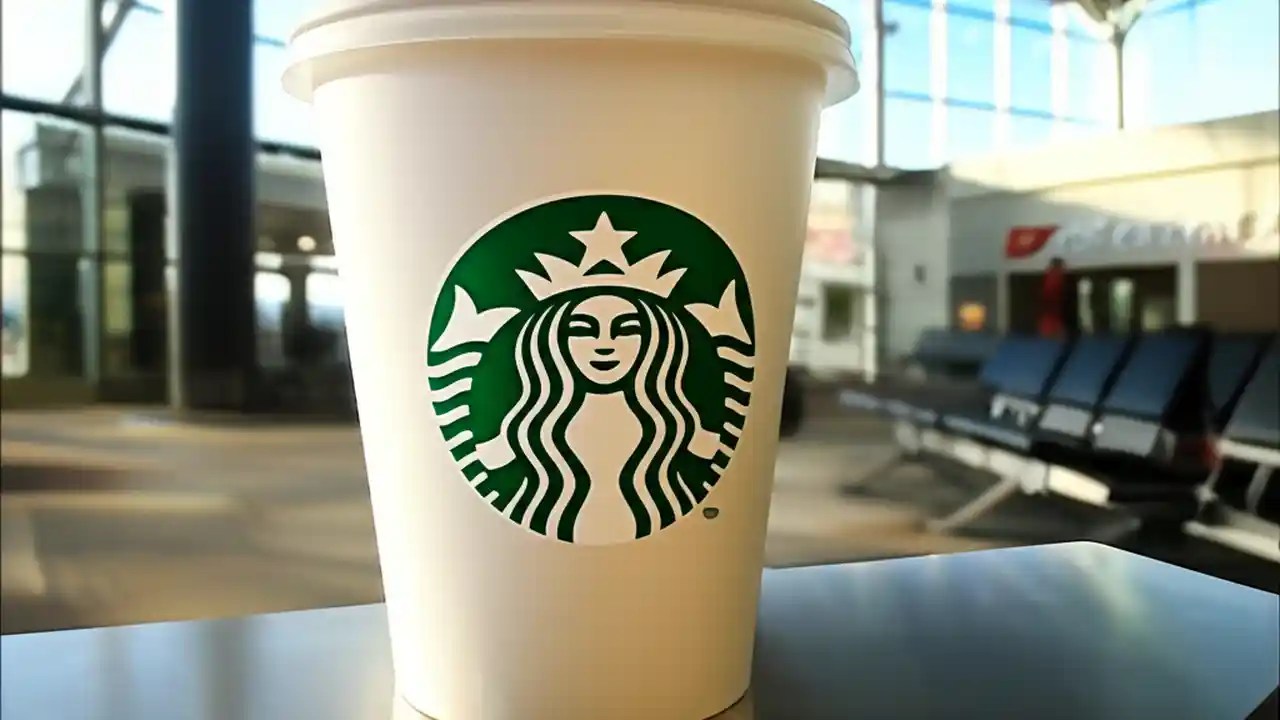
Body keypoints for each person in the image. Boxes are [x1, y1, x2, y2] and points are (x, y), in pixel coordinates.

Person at [1038, 256, 1067, 338]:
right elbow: (1052, 287)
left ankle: (1050, 332)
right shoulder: (1055, 274)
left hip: (1052, 297)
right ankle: (1051, 332)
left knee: (1053, 315)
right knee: (1053, 315)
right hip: (1053, 297)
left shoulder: (1052, 273)